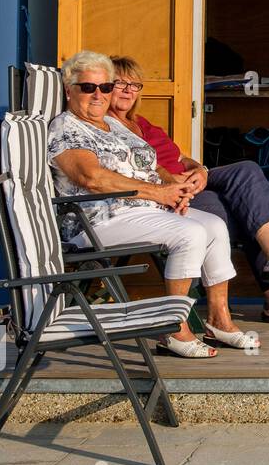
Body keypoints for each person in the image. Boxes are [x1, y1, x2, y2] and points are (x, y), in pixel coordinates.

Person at [47, 50, 247, 358]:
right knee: (190, 234)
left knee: (214, 225)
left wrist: (175, 190)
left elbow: (150, 165)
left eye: (105, 86)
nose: (98, 94)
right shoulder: (67, 127)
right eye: (88, 87)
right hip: (96, 219)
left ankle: (219, 319)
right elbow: (92, 177)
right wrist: (157, 194)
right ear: (69, 89)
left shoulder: (113, 126)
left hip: (138, 209)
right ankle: (174, 329)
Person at [107, 56, 269, 328]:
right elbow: (133, 171)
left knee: (247, 171)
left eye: (134, 84)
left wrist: (200, 169)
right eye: (120, 83)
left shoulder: (143, 123)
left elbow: (181, 157)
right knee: (249, 213)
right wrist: (173, 183)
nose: (129, 90)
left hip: (190, 181)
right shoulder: (106, 128)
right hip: (168, 192)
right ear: (104, 86)